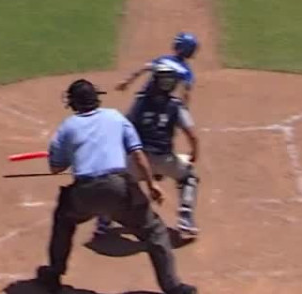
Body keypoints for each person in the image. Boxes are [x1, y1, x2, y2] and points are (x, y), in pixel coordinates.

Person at [38, 79, 198, 294]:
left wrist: (73, 156)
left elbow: (55, 167)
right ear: (96, 98)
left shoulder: (67, 127)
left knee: (63, 220)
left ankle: (54, 274)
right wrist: (151, 184)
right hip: (119, 189)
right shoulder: (115, 117)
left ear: (73, 103)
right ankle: (173, 287)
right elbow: (138, 154)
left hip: (84, 193)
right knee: (154, 231)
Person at [95, 62, 202, 239]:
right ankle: (185, 217)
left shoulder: (140, 102)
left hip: (138, 161)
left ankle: (104, 220)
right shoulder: (176, 106)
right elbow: (192, 136)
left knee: (115, 181)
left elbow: (125, 128)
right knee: (189, 176)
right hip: (165, 160)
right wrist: (194, 153)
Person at [116, 32, 199, 104]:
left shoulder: (164, 59)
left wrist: (127, 81)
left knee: (132, 116)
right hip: (165, 103)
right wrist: (184, 107)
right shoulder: (186, 70)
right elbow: (186, 93)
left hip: (146, 97)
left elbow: (144, 68)